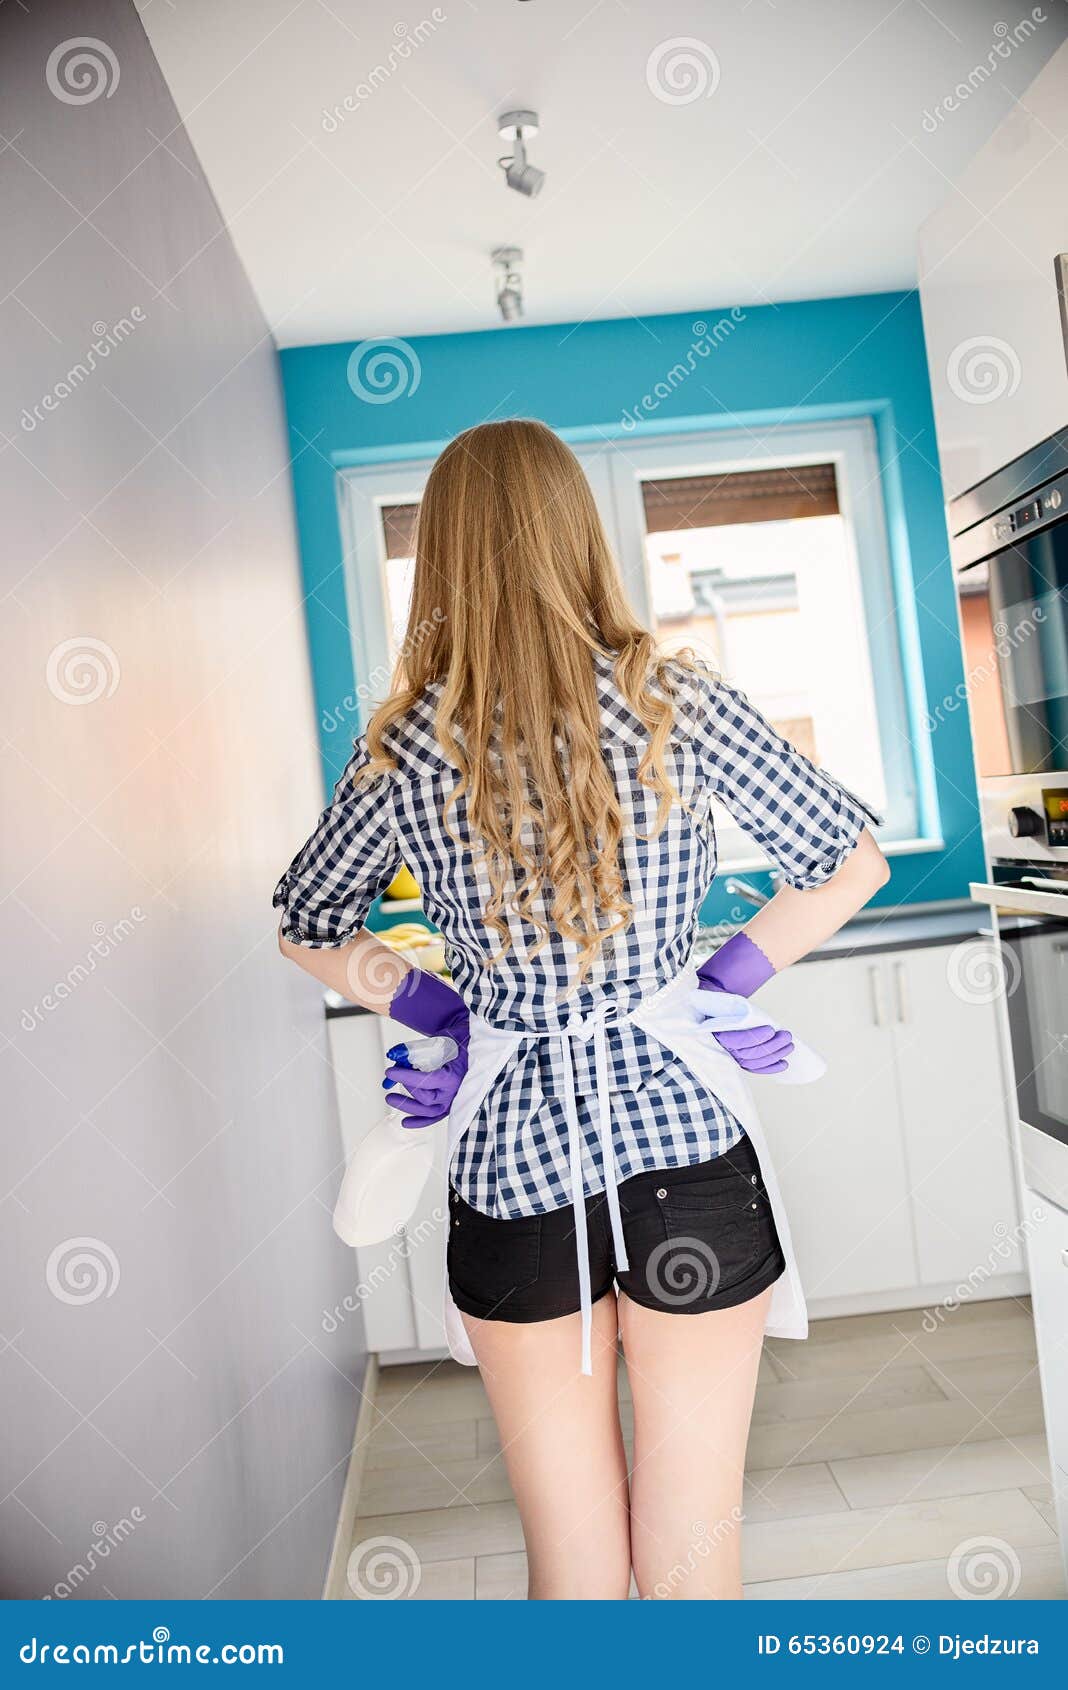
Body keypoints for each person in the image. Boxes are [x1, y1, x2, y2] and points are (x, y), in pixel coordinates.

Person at [275, 418, 889, 1600]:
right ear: (579, 535)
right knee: (694, 1531)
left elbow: (306, 923)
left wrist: (436, 1004)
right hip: (690, 1157)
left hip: (513, 1173)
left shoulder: (410, 744)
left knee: (572, 1548)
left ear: (440, 560)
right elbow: (851, 863)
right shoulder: (676, 700)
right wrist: (720, 981)